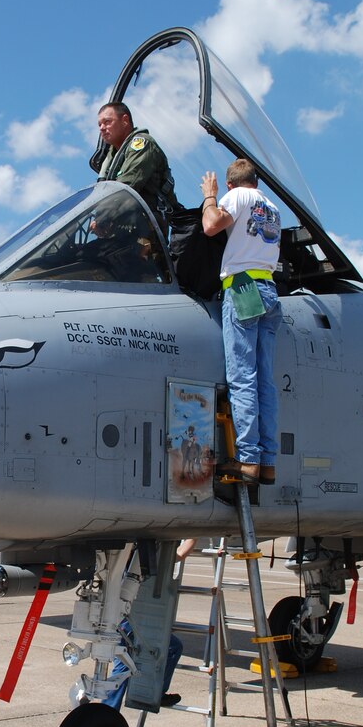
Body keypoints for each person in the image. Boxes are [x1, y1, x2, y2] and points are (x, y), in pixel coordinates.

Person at [201, 158, 282, 485]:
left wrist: (210, 196)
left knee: (242, 375)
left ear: (232, 184)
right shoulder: (273, 207)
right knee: (265, 379)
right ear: (256, 182)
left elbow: (210, 226)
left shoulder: (237, 197)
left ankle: (247, 459)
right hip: (270, 290)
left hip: (243, 288)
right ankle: (268, 462)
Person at [96, 102, 181, 235]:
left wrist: (101, 218)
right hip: (124, 229)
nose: (102, 128)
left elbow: (125, 187)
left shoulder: (142, 144)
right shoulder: (112, 156)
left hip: (146, 232)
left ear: (124, 121)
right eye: (99, 124)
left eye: (107, 122)